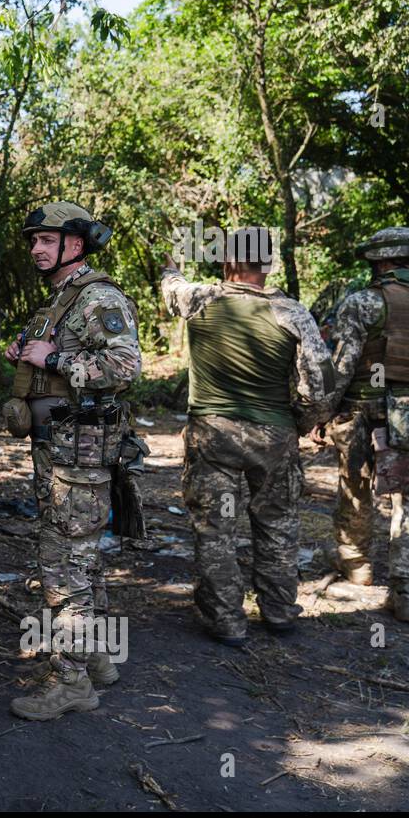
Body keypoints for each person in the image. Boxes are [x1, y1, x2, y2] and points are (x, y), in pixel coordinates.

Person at [161, 227, 335, 645]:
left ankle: (226, 620)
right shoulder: (292, 313)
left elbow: (172, 286)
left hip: (212, 434)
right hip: (273, 437)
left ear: (226, 263)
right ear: (268, 264)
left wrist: (170, 268)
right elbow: (321, 384)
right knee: (277, 523)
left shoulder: (197, 298)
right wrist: (302, 422)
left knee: (215, 528)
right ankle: (277, 612)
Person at [2, 202, 141, 720]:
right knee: (82, 560)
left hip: (79, 457)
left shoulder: (98, 297)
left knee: (64, 568)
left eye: (45, 240)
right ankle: (99, 658)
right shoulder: (60, 301)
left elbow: (125, 367)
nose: (36, 249)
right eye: (32, 241)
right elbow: (54, 362)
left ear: (74, 245)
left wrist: (53, 359)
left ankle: (71, 681)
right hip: (58, 451)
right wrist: (27, 355)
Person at [322, 227, 409, 623]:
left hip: (362, 414)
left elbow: (342, 366)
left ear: (380, 261)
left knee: (355, 489)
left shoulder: (363, 303)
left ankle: (358, 568)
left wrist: (320, 413)